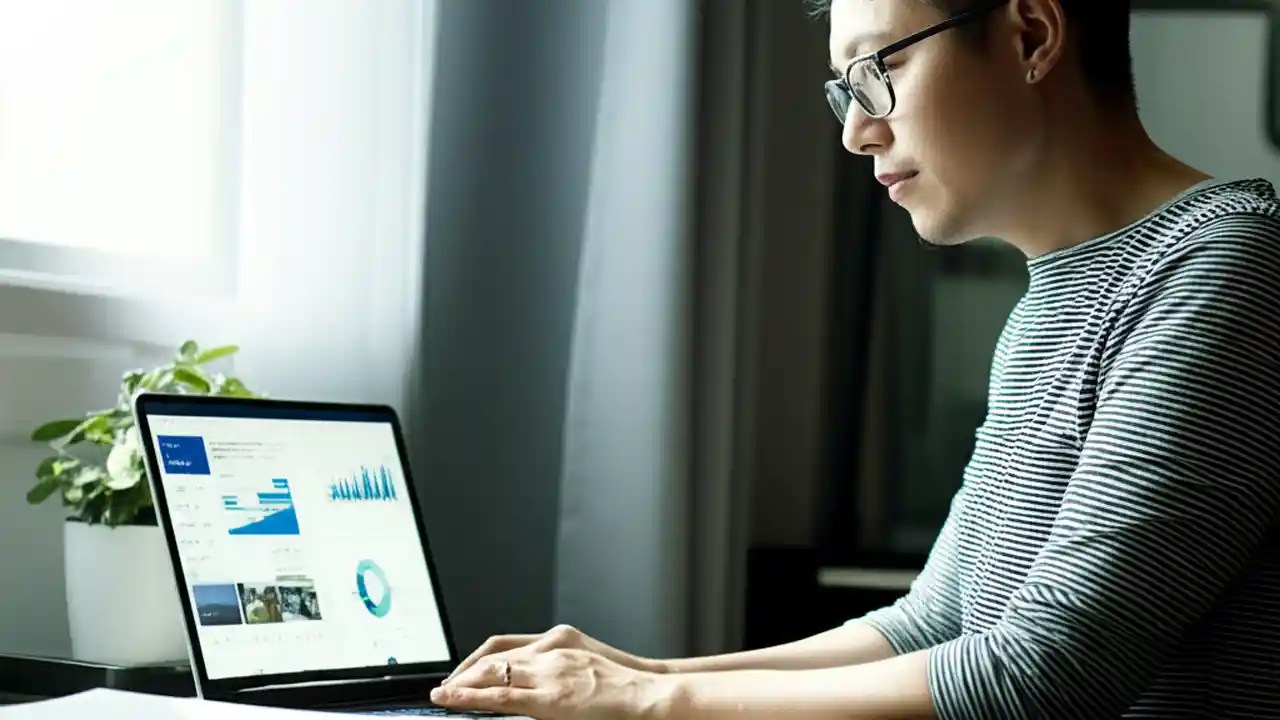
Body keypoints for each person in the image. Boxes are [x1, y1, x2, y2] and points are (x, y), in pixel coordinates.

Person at [432, 0, 1280, 717]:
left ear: (1030, 36)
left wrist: (654, 701)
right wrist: (641, 673)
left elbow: (1046, 670)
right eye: (845, 89)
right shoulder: (1049, 308)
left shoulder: (1226, 272)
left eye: (879, 72)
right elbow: (937, 621)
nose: (855, 132)